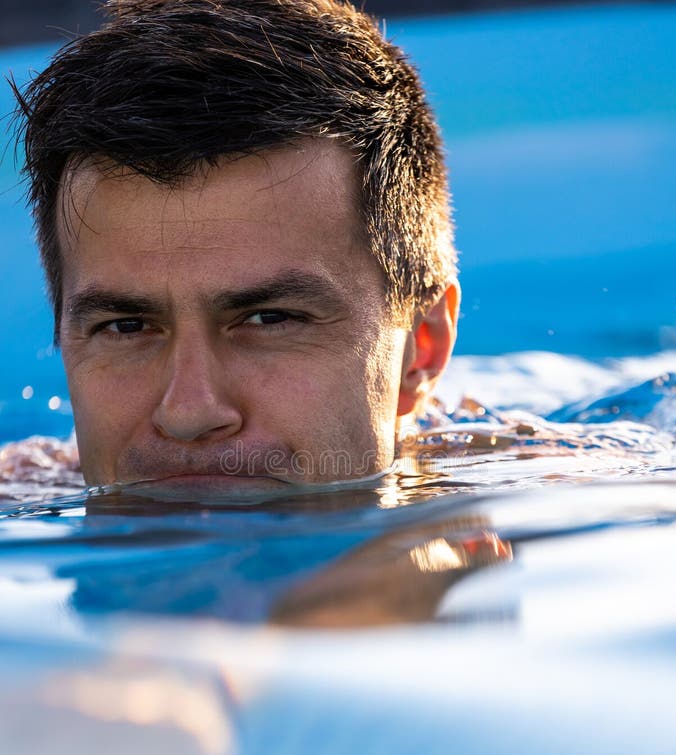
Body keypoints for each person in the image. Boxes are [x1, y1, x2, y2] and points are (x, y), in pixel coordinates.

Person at [12, 0, 460, 500]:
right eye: (126, 326)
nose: (189, 414)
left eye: (269, 319)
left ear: (422, 346)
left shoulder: (546, 493)